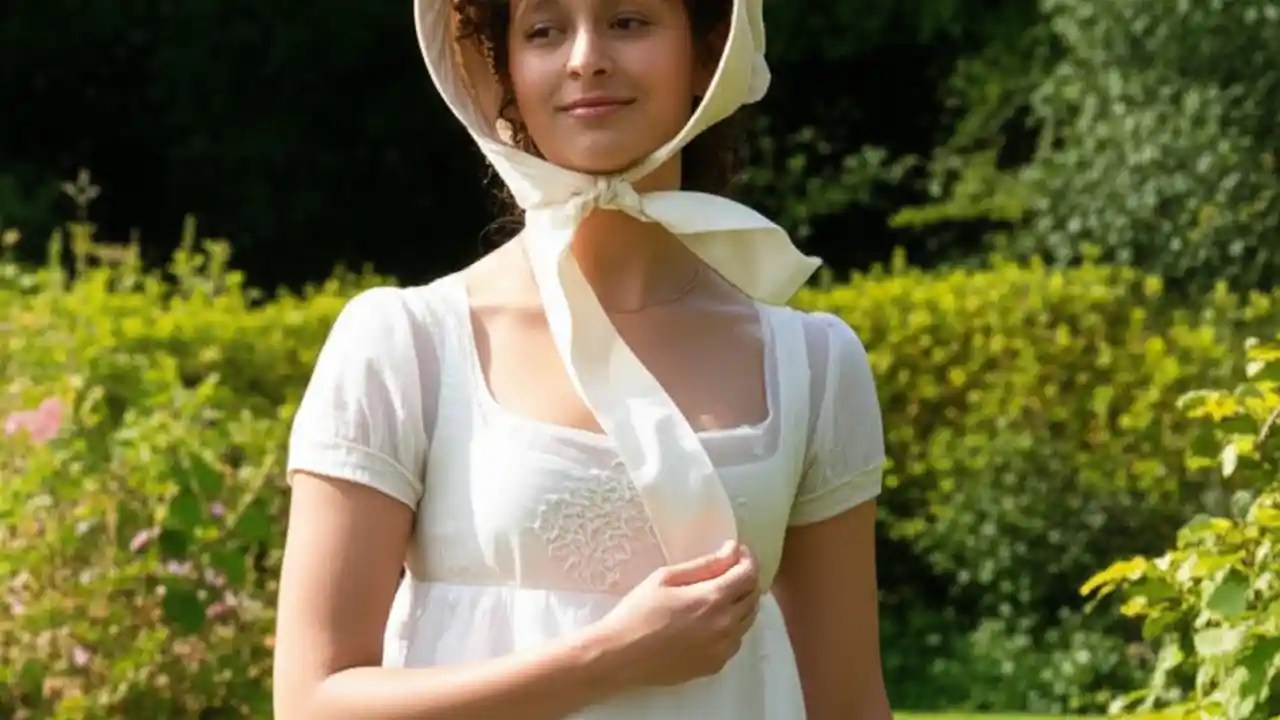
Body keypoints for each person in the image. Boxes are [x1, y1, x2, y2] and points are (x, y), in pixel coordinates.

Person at [272, 0, 891, 717]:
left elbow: (848, 701)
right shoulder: (405, 344)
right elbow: (312, 702)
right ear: (504, 70)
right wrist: (610, 657)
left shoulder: (812, 363)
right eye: (545, 30)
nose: (585, 57)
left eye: (628, 21)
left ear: (706, 53)